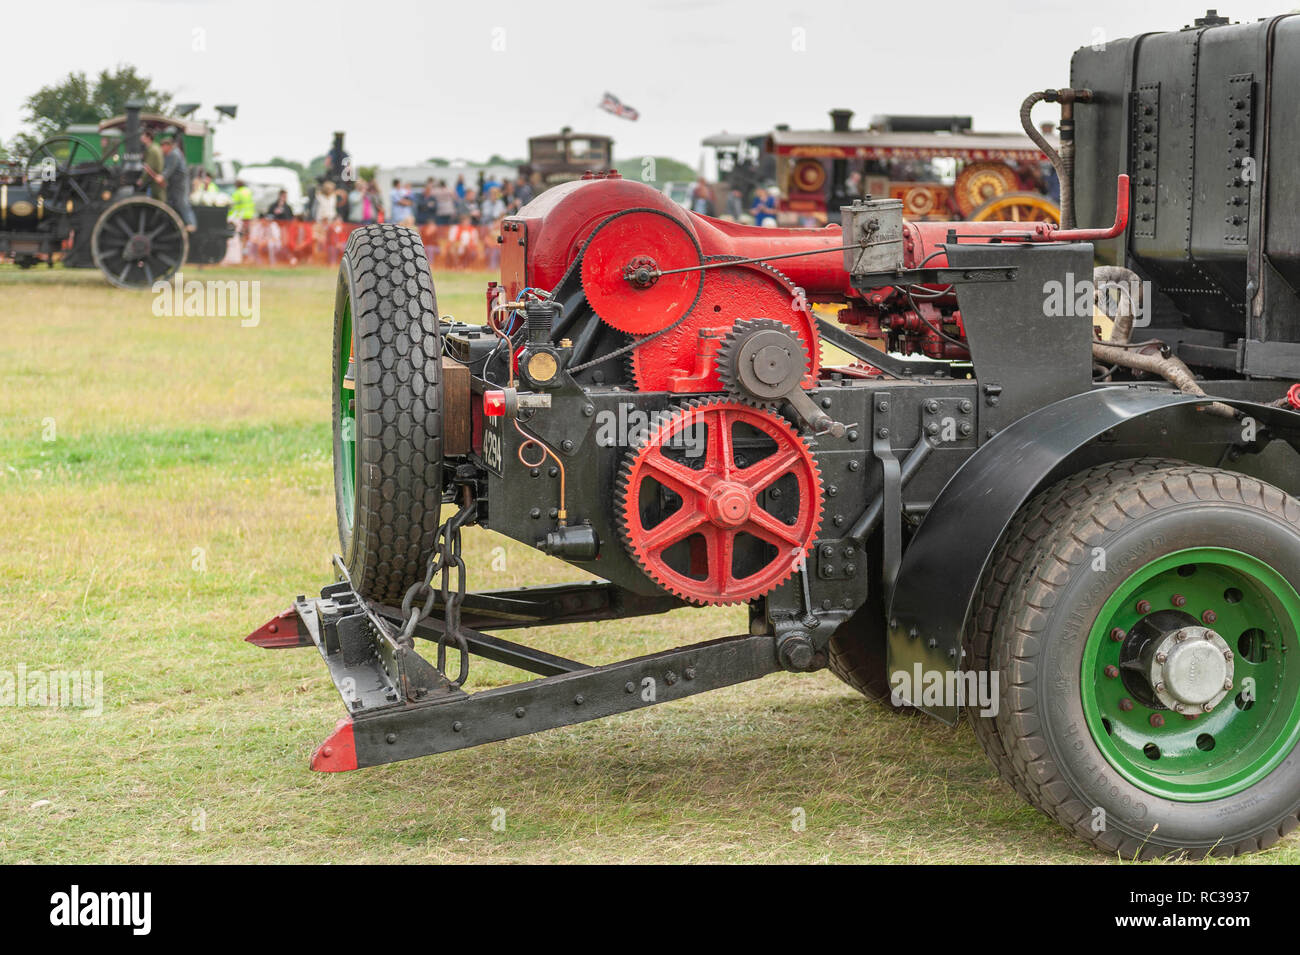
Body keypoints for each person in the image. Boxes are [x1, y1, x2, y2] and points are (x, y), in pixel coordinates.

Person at [160, 133, 197, 231]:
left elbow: (169, 169)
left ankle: (191, 223)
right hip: (174, 184)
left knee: (182, 202)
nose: (162, 149)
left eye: (163, 146)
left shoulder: (174, 154)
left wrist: (162, 177)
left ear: (168, 146)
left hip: (180, 184)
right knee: (172, 202)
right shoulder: (170, 154)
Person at [139, 129, 166, 201]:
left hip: (156, 180)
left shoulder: (152, 150)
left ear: (148, 138)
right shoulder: (155, 147)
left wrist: (142, 179)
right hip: (156, 179)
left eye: (143, 135)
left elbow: (148, 167)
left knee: (159, 202)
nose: (141, 137)